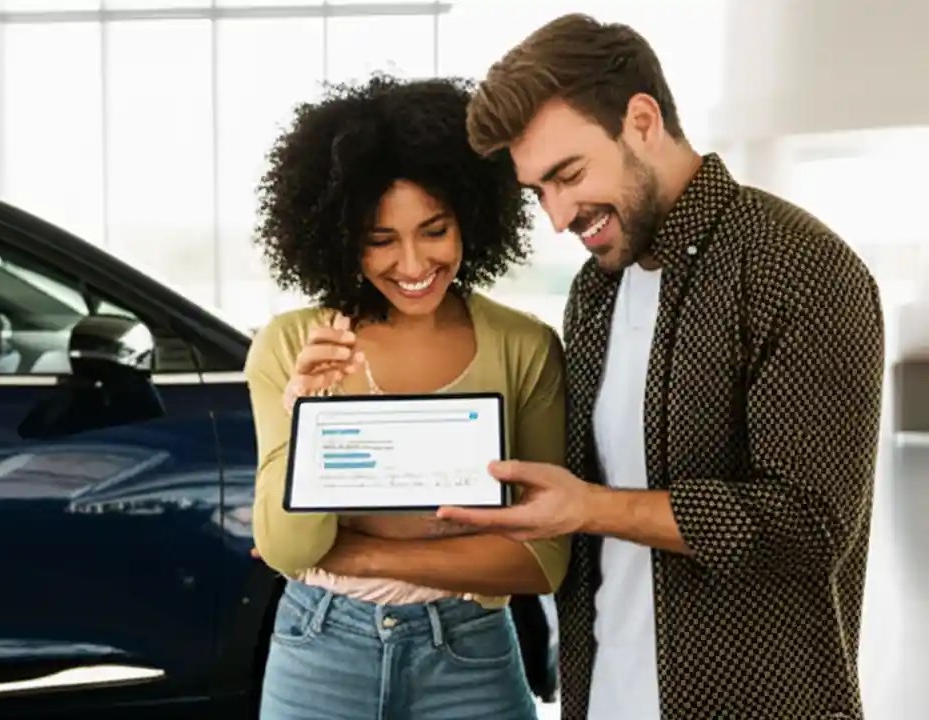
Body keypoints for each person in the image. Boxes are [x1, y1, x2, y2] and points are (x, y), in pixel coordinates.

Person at [430, 13, 885, 720]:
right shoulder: (595, 290)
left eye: (568, 175)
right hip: (605, 695)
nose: (557, 217)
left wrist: (592, 508)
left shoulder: (799, 267)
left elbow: (810, 523)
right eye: (537, 192)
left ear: (642, 120)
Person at [244, 74, 571, 720]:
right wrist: (310, 417)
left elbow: (541, 560)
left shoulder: (523, 348)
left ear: (471, 218)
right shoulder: (291, 347)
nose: (414, 263)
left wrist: (365, 553)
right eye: (380, 240)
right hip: (319, 650)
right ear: (342, 238)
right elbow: (287, 551)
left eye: (434, 229)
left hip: (470, 655)